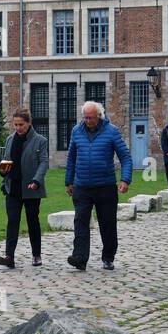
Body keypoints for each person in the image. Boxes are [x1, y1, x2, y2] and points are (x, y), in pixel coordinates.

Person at [64, 101, 132, 271]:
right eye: (85, 117)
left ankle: (108, 257)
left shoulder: (112, 131)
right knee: (80, 222)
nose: (87, 121)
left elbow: (125, 157)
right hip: (82, 186)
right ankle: (80, 257)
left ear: (99, 116)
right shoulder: (76, 131)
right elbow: (71, 157)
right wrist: (69, 181)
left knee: (107, 224)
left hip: (105, 186)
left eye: (91, 118)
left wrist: (125, 180)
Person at [0, 107, 49, 269]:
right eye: (16, 125)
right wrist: (2, 170)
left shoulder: (40, 141)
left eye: (21, 125)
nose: (18, 128)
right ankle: (9, 256)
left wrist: (36, 180)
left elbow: (44, 163)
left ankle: (36, 254)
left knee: (33, 221)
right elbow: (7, 161)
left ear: (29, 123)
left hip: (31, 188)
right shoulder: (10, 140)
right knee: (12, 221)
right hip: (13, 187)